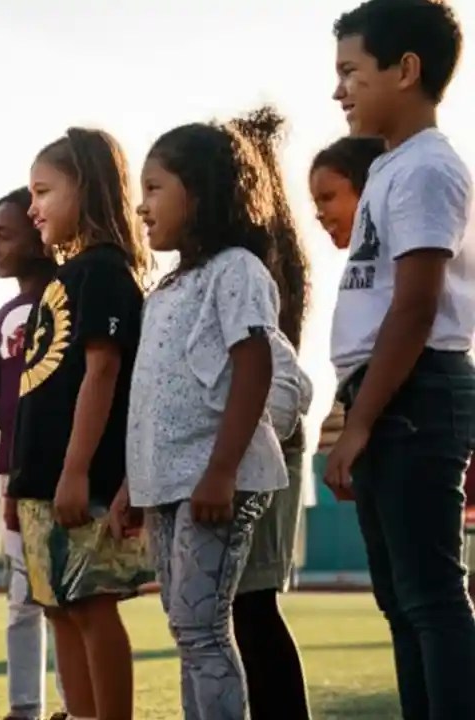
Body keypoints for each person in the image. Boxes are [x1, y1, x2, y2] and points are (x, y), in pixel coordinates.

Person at [119, 106, 313, 720]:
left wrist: (223, 470)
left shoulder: (236, 270)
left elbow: (255, 366)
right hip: (167, 484)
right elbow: (152, 397)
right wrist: (134, 482)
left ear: (199, 194)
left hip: (211, 481)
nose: (142, 206)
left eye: (154, 188)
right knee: (186, 631)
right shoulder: (169, 289)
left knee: (204, 629)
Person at [323, 1, 475, 717]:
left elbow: (415, 309)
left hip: (415, 391)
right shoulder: (389, 167)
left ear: (406, 70)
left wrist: (362, 422)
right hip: (386, 392)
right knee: (400, 602)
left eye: (351, 71)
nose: (339, 90)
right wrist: (353, 407)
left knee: (430, 597)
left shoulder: (424, 171)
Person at [9, 129, 155, 720]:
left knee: (92, 607)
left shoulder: (105, 274)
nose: (31, 208)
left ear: (85, 189)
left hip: (82, 481)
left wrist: (75, 472)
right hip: (41, 479)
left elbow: (102, 373)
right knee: (59, 608)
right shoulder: (62, 279)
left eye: (43, 191)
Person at [229, 108, 316, 719]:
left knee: (251, 607)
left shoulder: (253, 261)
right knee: (246, 609)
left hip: (262, 438)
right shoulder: (271, 252)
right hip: (260, 436)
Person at [0, 187, 64, 720]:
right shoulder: (7, 313)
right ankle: (24, 708)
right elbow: (7, 400)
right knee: (22, 597)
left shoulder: (59, 301)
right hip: (12, 465)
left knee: (63, 596)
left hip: (52, 468)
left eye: (4, 234)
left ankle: (70, 705)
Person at [309, 136, 387, 466]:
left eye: (328, 197)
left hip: (396, 412)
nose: (319, 214)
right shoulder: (360, 264)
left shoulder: (393, 261)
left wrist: (358, 426)